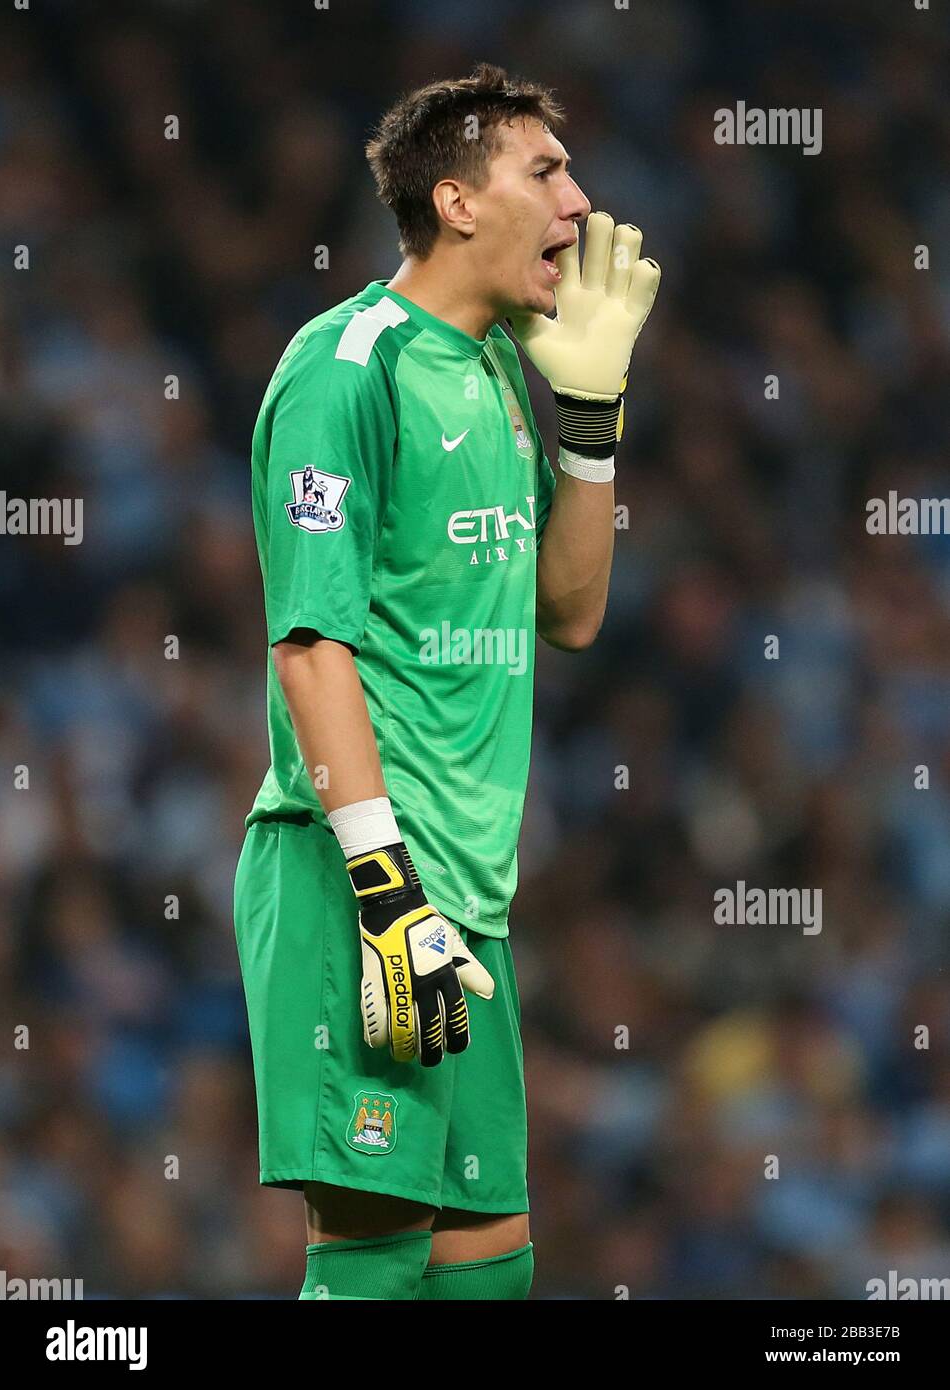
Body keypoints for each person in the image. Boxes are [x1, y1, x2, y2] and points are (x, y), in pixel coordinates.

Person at [233, 61, 660, 1301]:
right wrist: (382, 881)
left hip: (465, 898)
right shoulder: (346, 364)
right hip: (357, 875)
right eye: (546, 171)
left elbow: (571, 611)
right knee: (371, 1265)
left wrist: (590, 422)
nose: (579, 204)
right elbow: (311, 644)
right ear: (460, 199)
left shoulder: (489, 375)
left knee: (486, 1270)